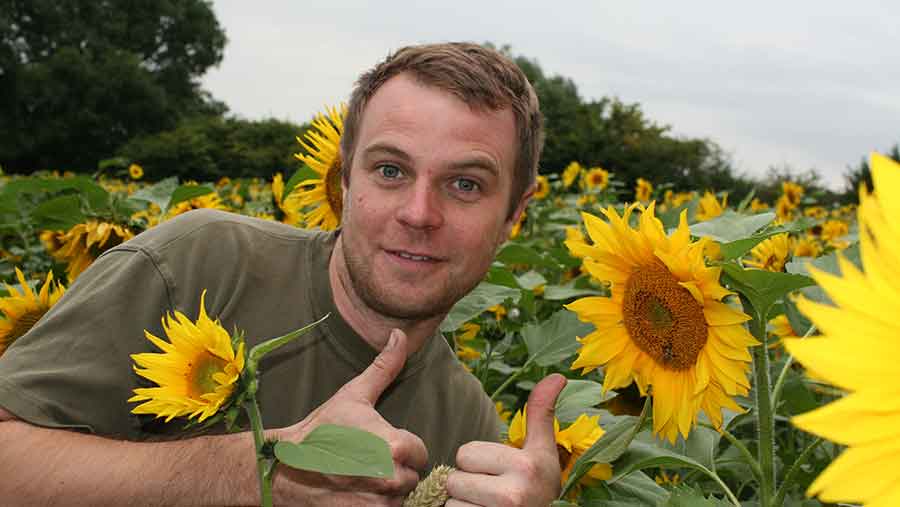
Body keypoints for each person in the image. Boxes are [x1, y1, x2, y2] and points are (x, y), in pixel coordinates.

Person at [0, 42, 565, 506]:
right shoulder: (199, 266)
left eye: (465, 184)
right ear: (343, 181)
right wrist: (262, 472)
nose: (418, 213)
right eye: (390, 170)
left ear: (515, 211)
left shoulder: (468, 427)